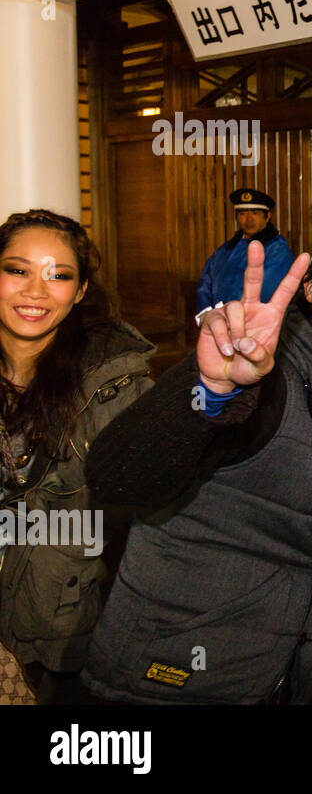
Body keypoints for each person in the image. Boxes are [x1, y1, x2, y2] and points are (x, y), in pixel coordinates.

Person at [81, 205, 312, 704]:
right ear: (311, 290)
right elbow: (116, 476)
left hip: (298, 677)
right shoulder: (264, 377)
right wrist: (208, 392)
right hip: (173, 679)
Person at [0, 210, 154, 704]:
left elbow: (163, 479)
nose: (36, 291)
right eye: (17, 270)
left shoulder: (113, 383)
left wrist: (218, 394)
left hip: (54, 632)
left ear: (82, 290)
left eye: (59, 275)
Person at [196, 188, 295, 311]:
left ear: (267, 216)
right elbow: (206, 281)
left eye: (254, 213)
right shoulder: (225, 249)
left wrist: (230, 313)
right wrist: (206, 313)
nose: (248, 219)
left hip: (254, 322)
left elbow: (266, 291)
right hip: (216, 323)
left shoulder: (277, 250)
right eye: (242, 213)